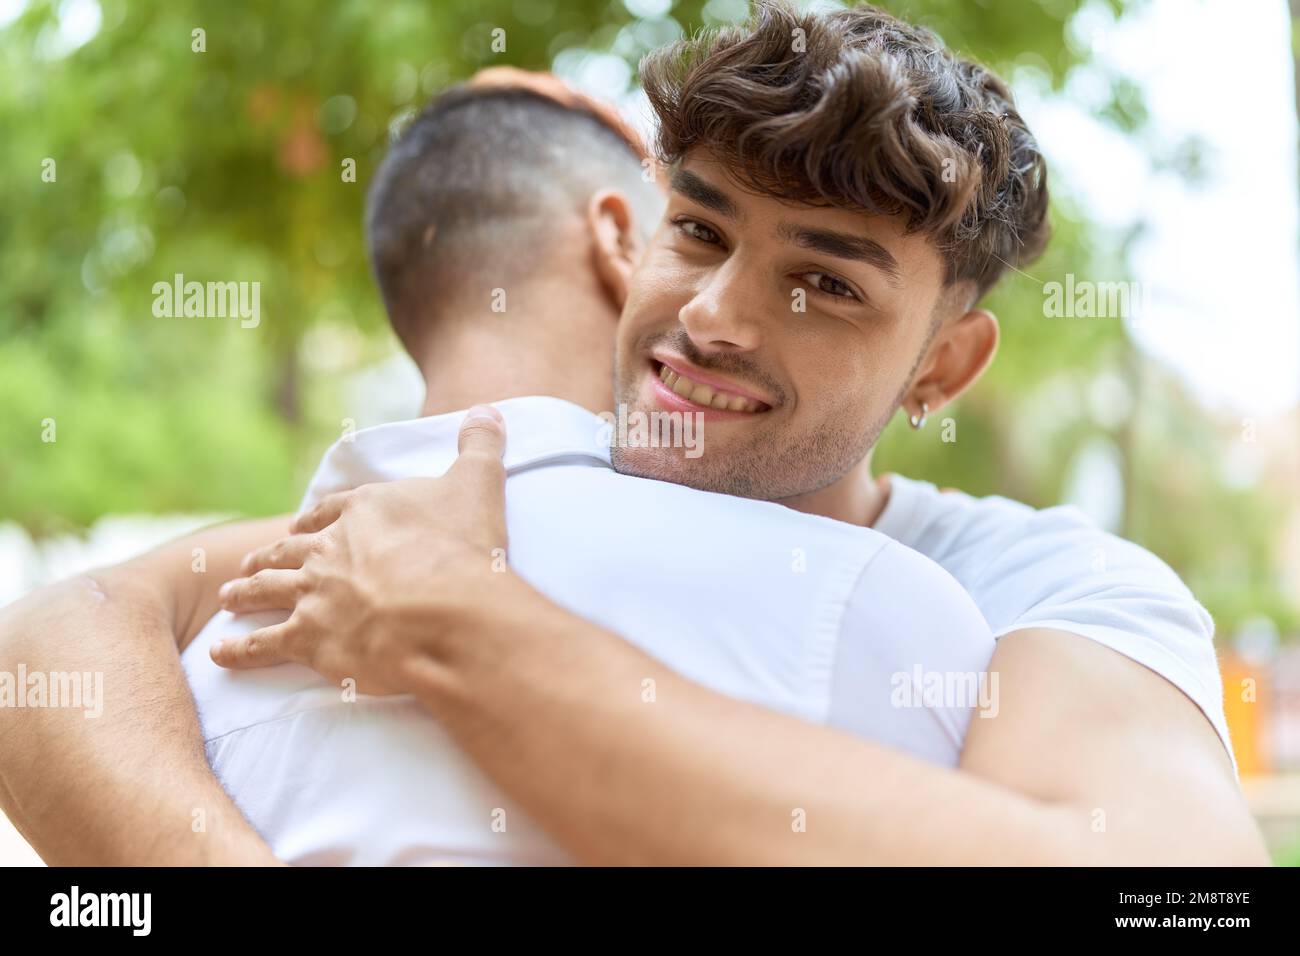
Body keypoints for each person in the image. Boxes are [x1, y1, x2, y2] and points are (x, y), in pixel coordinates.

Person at [0, 1, 1265, 865]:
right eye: (701, 231)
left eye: (823, 283)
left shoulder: (1037, 585)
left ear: (941, 363)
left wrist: (468, 630)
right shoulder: (517, 486)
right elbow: (68, 630)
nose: (712, 317)